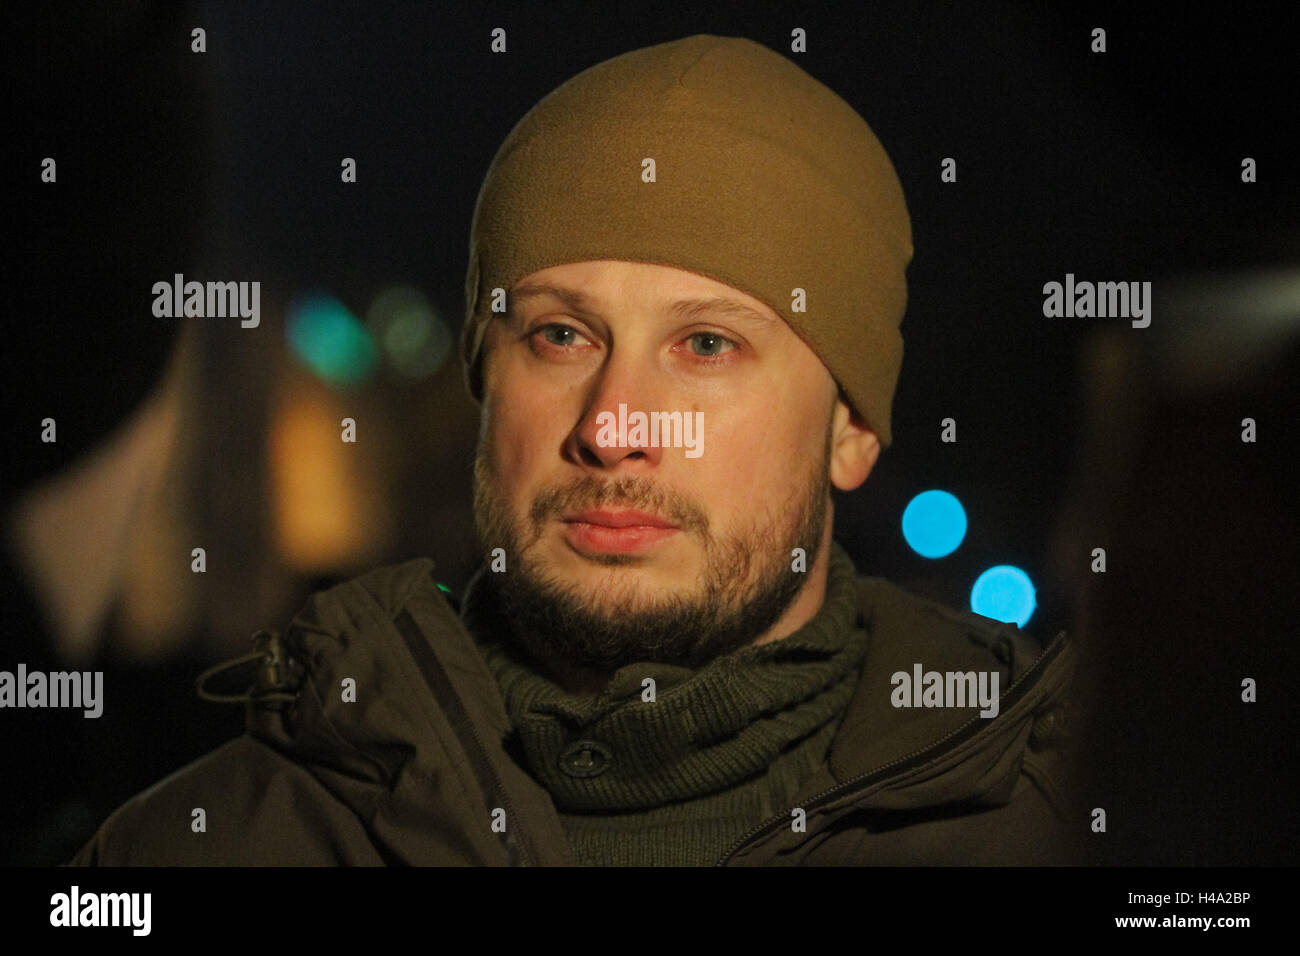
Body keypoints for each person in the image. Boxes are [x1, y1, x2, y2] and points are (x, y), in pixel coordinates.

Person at [71, 34, 1078, 866]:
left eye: (706, 345)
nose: (612, 426)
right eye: (560, 335)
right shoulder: (199, 850)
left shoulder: (1073, 815)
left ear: (851, 427)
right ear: (482, 378)